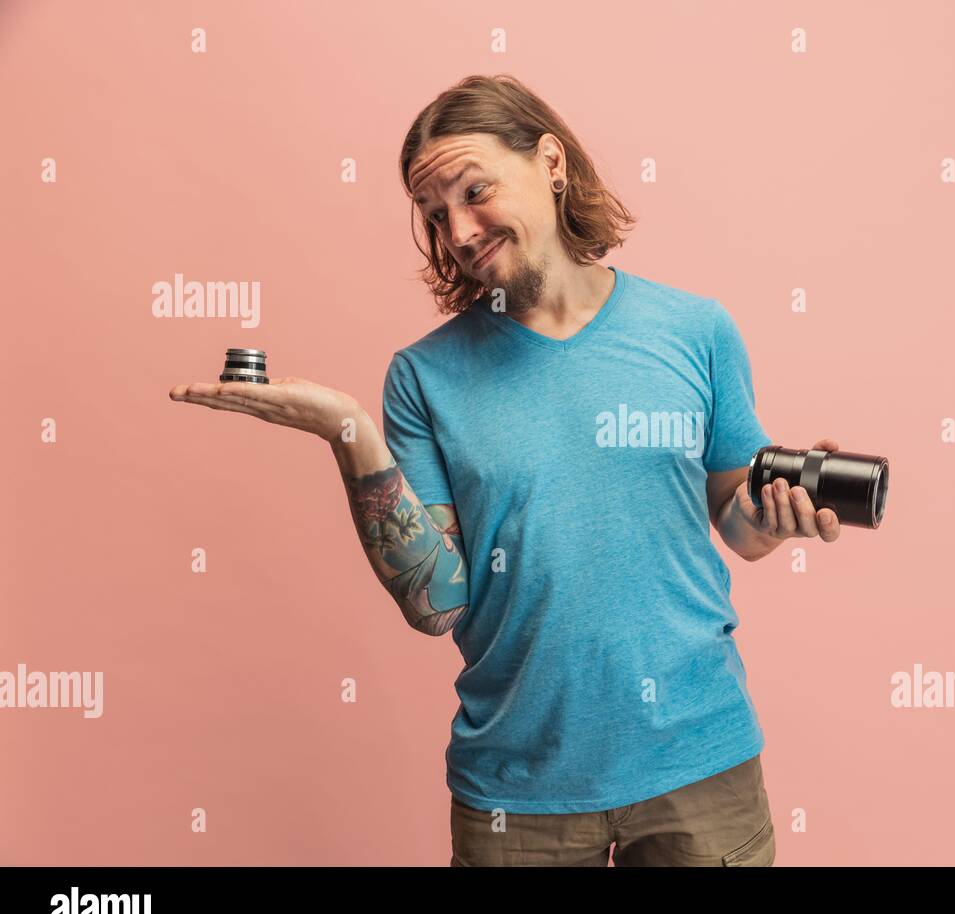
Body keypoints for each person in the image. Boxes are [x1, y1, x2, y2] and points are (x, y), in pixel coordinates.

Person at [169, 74, 843, 866]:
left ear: (550, 162)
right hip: (518, 797)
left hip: (700, 765)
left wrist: (766, 516)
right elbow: (435, 603)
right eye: (433, 212)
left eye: (474, 189)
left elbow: (738, 522)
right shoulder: (424, 378)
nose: (456, 229)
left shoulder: (697, 330)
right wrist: (348, 432)